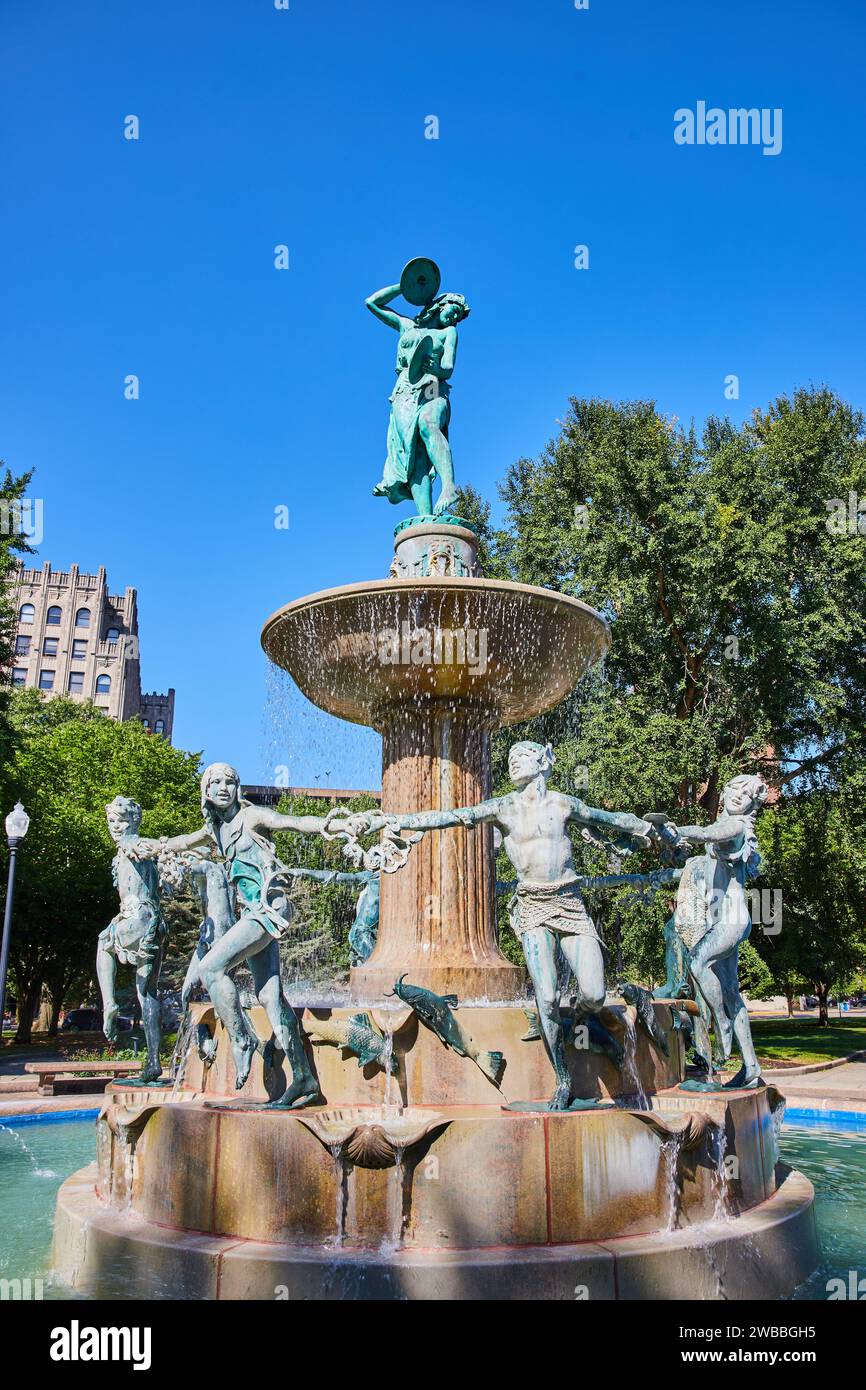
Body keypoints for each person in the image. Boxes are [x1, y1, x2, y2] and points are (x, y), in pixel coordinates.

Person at [359, 741, 674, 1109]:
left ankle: (577, 1026)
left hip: (569, 901)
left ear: (542, 762)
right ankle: (563, 1078)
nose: (512, 763)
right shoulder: (504, 807)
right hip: (533, 907)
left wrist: (650, 830)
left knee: (594, 994)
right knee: (547, 996)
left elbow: (607, 818)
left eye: (521, 757)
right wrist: (398, 821)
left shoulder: (562, 804)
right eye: (509, 759)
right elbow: (453, 816)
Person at [132, 764, 360, 1108]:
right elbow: (177, 843)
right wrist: (139, 844)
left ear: (237, 789)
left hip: (269, 907)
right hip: (253, 913)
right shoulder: (214, 831)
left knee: (211, 969)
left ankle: (242, 1040)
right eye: (216, 782)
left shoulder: (252, 818)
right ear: (206, 792)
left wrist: (340, 825)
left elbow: (295, 823)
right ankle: (304, 1077)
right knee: (270, 996)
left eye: (230, 781)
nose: (223, 787)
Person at [647, 773, 769, 1089]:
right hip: (725, 920)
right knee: (731, 991)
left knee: (697, 962)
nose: (733, 799)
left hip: (730, 920)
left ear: (750, 806)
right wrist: (675, 837)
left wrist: (678, 829)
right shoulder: (727, 830)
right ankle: (752, 1068)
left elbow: (706, 832)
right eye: (731, 792)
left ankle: (722, 1025)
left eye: (742, 798)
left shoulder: (736, 826)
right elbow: (705, 842)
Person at [366, 281, 470, 517]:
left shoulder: (448, 333)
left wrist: (436, 368)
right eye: (453, 311)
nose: (454, 318)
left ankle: (449, 487)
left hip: (432, 385)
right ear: (439, 305)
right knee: (414, 458)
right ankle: (426, 519)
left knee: (427, 422)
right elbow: (372, 302)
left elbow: (448, 367)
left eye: (458, 317)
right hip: (404, 391)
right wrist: (407, 286)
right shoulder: (407, 326)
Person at [96, 796, 167, 1084]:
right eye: (112, 821)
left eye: (121, 821)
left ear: (133, 822)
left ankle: (109, 1003)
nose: (115, 826)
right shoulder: (128, 849)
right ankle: (153, 1062)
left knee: (104, 943)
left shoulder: (131, 844)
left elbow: (143, 847)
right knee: (147, 993)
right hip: (156, 923)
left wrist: (156, 844)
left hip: (136, 917)